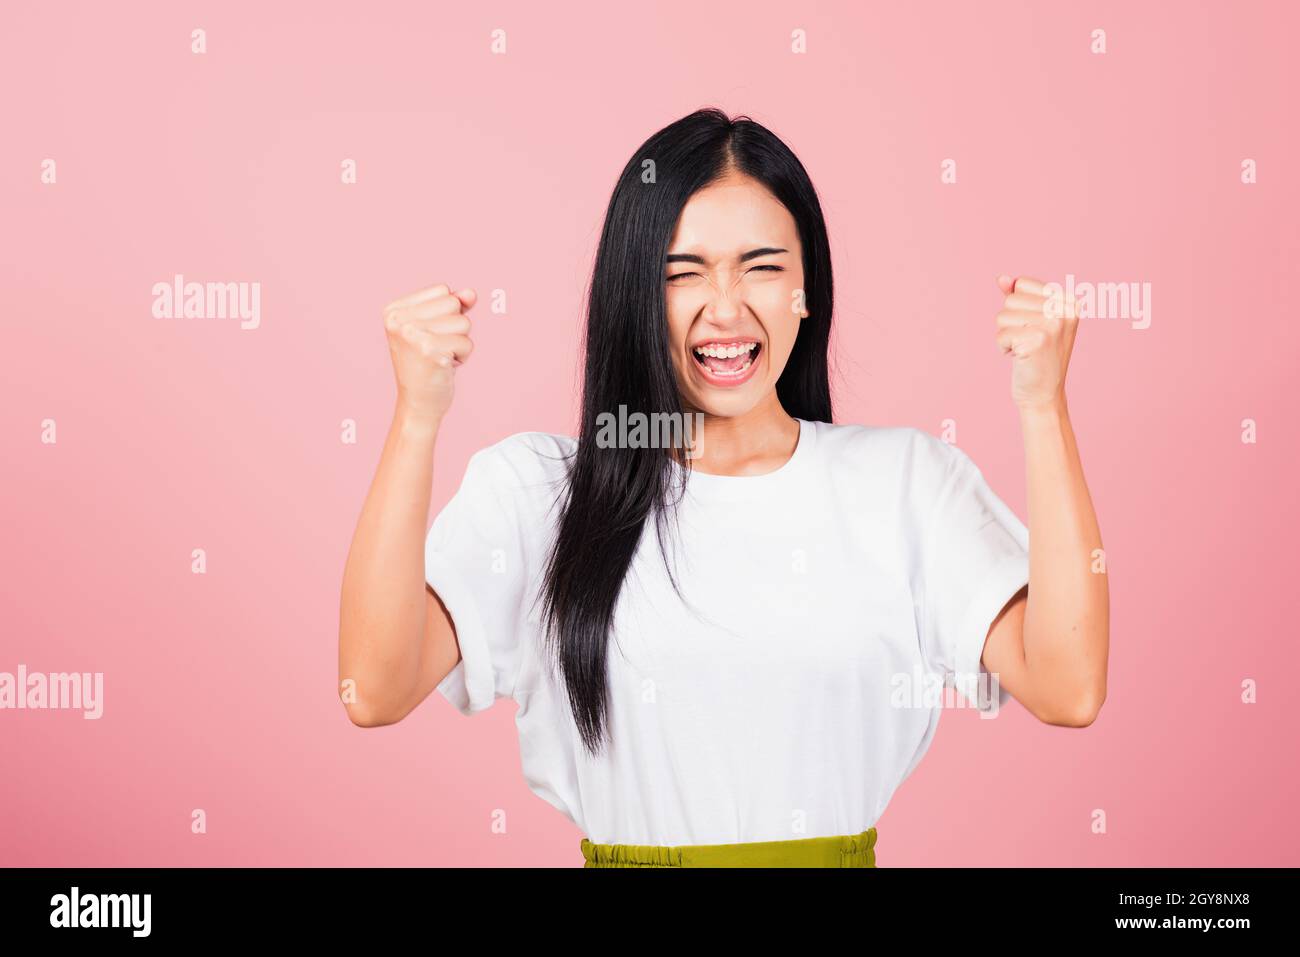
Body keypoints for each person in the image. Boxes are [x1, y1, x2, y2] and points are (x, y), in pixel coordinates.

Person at [338, 108, 1109, 868]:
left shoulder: (905, 481)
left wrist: (1042, 405)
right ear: (633, 294)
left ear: (808, 289)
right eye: (684, 273)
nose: (727, 308)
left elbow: (1068, 686)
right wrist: (416, 419)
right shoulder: (538, 492)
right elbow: (372, 689)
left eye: (763, 267)